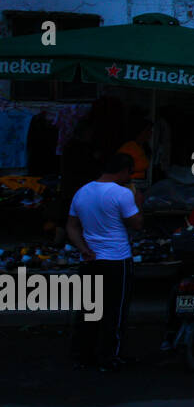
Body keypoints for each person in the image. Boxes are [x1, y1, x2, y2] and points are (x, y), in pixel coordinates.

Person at [67, 152, 143, 372]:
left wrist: (83, 248)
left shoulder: (82, 191)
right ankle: (110, 356)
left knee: (89, 310)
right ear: (123, 170)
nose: (131, 177)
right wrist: (138, 202)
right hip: (116, 260)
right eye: (130, 172)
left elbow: (71, 226)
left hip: (90, 259)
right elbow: (137, 224)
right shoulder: (122, 194)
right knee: (115, 311)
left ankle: (83, 354)